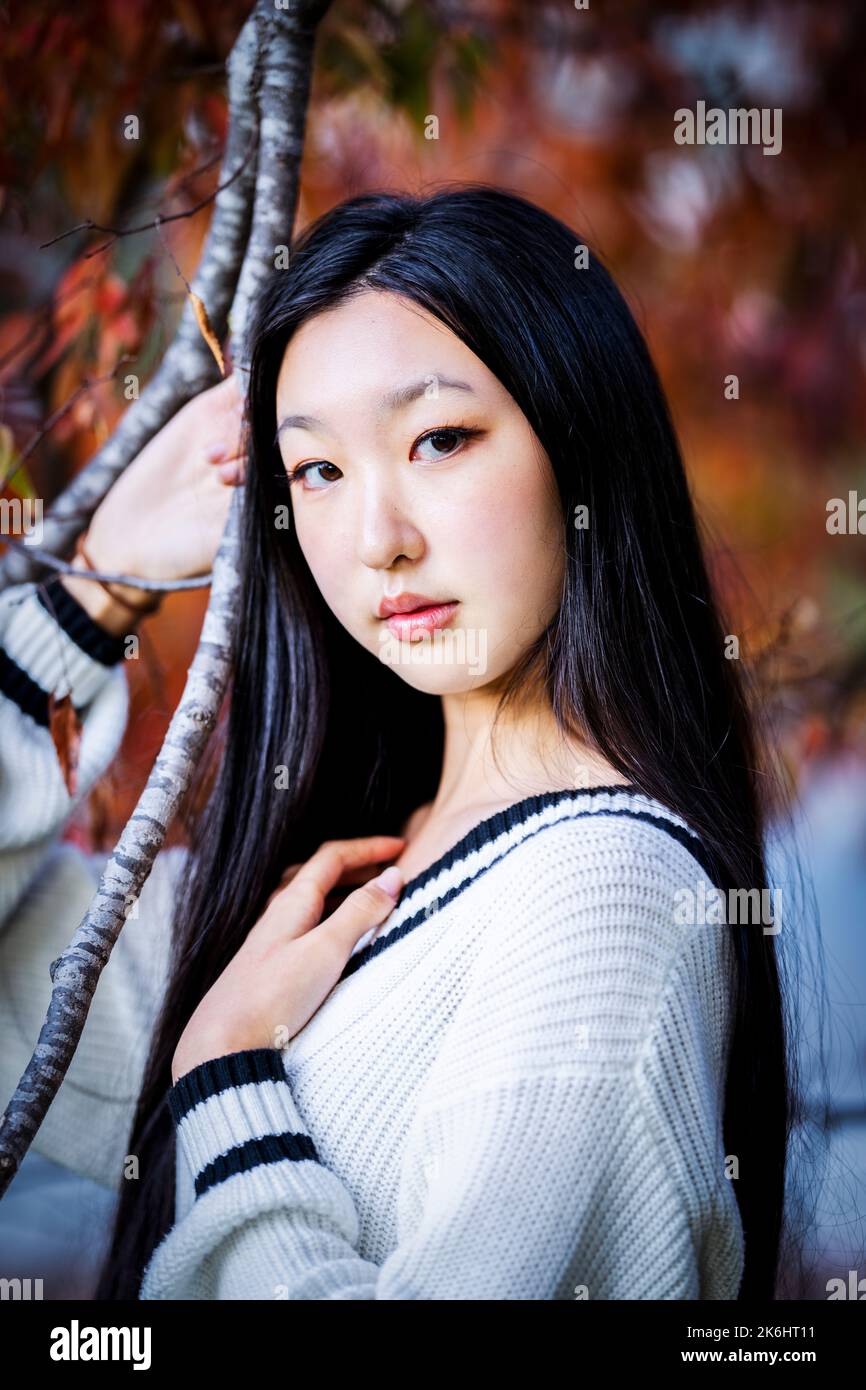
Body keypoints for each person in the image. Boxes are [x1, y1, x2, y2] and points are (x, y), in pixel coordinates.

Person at [0, 185, 794, 1301]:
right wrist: (91, 599)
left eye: (438, 439)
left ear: (579, 441)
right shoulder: (323, 885)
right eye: (316, 469)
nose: (378, 539)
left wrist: (229, 1084)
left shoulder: (603, 890)